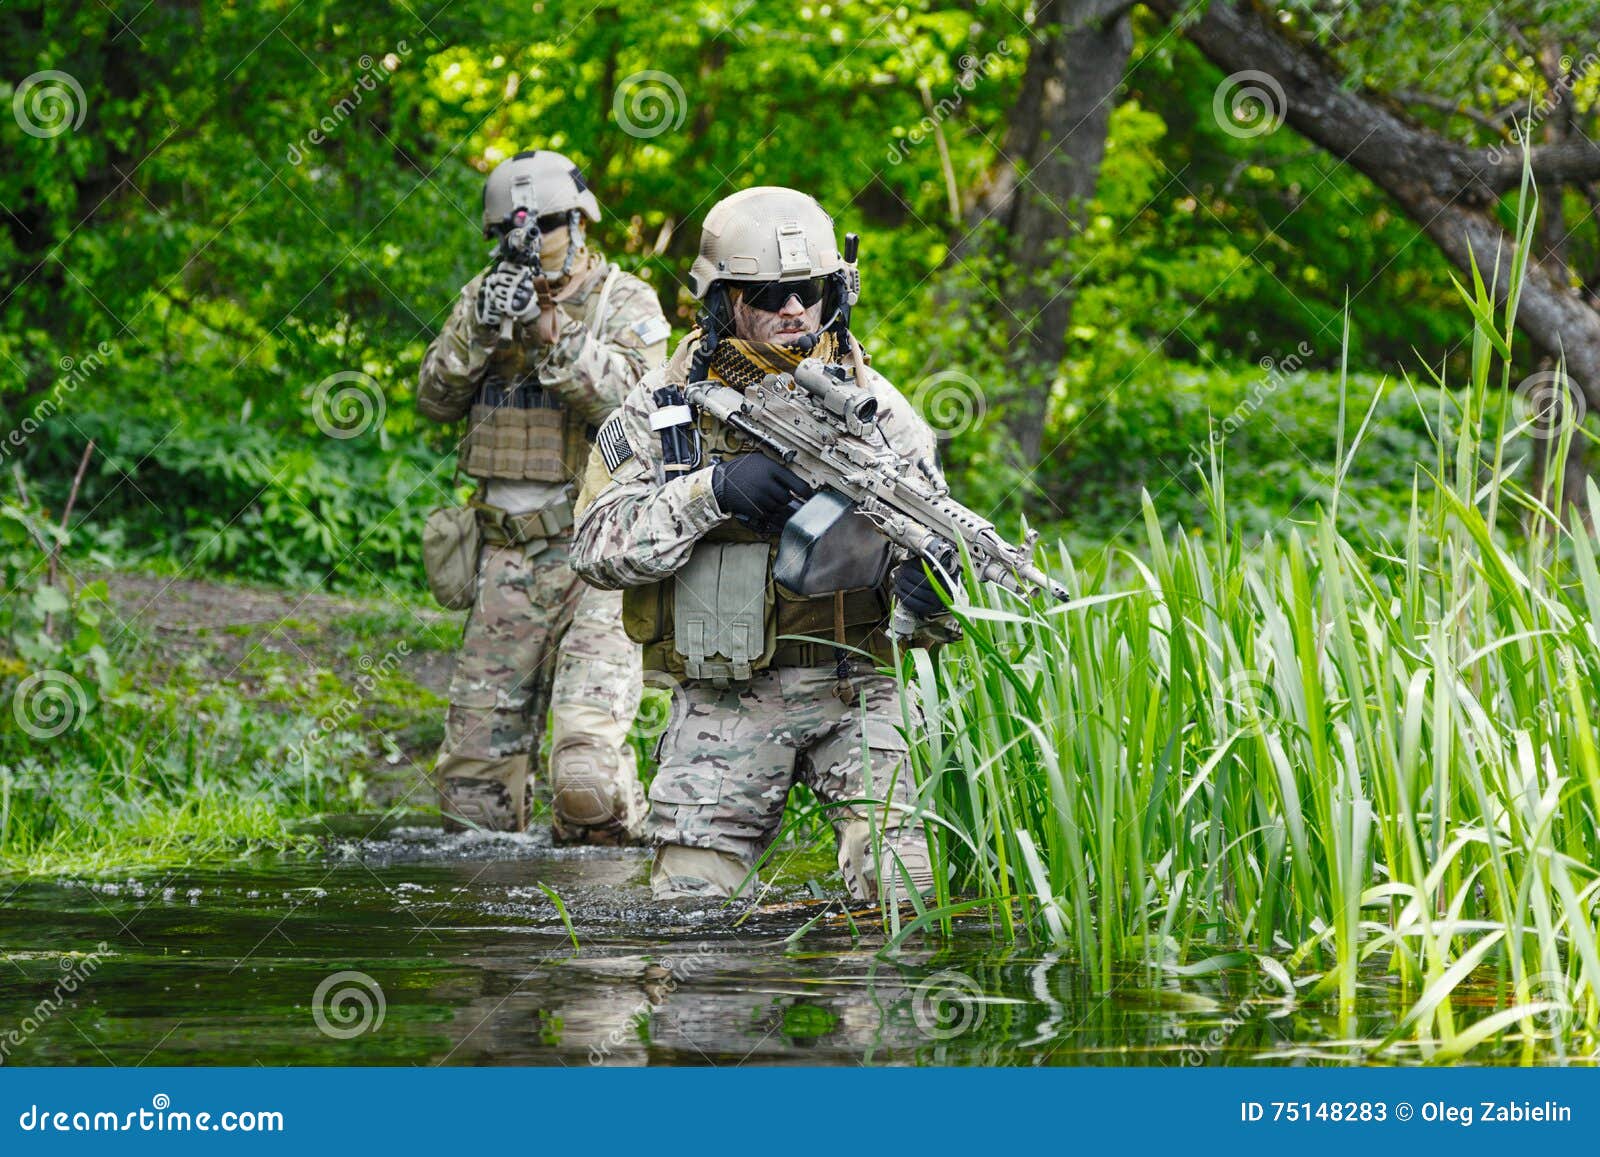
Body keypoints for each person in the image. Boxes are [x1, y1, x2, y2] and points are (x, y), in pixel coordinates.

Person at [570, 186, 955, 900]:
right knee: (691, 907)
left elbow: (936, 553)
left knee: (908, 887)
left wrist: (930, 594)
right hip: (728, 693)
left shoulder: (877, 408)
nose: (792, 311)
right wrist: (710, 493)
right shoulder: (664, 405)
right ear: (724, 301)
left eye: (807, 291)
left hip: (859, 688)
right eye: (769, 292)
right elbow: (595, 545)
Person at [416, 149, 671, 843]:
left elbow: (637, 406)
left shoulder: (625, 299)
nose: (535, 243)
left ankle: (603, 930)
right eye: (516, 230)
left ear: (579, 223)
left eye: (550, 225)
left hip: (597, 556)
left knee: (586, 776)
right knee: (471, 793)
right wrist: (480, 331)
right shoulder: (481, 297)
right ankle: (496, 939)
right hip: (504, 554)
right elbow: (434, 400)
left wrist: (549, 333)